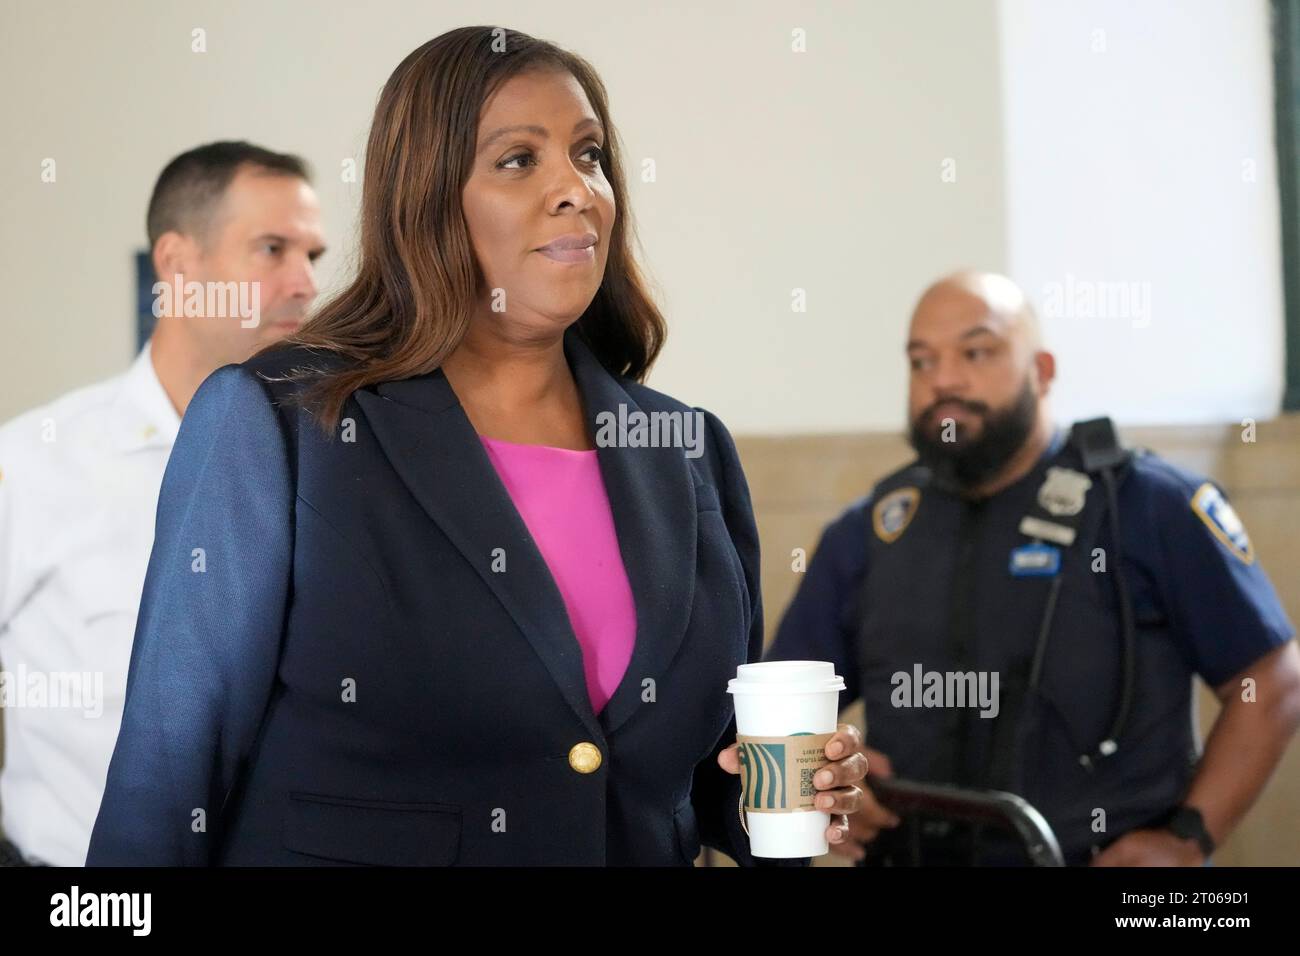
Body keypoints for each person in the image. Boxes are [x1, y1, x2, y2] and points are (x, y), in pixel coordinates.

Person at [86, 26, 867, 867]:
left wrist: (790, 798)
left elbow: (697, 787)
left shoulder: (686, 450)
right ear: (426, 199)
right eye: (518, 161)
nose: (576, 189)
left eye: (590, 154)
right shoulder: (281, 422)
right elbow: (164, 788)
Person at [767, 270, 1300, 866]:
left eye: (977, 352)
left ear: (1042, 371)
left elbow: (1273, 679)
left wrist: (1188, 839)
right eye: (921, 361)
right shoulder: (868, 532)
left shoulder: (1146, 506)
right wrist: (824, 777)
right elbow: (777, 701)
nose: (943, 379)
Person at [0, 141, 325, 866]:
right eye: (272, 249)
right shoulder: (29, 465)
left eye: (313, 256)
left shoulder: (338, 464)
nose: (304, 282)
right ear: (178, 265)